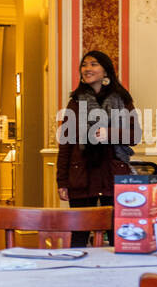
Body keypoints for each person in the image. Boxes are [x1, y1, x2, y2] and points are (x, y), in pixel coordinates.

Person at [55, 50, 140, 244]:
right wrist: (62, 181)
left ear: (106, 71)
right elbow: (65, 145)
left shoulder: (122, 99)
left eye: (93, 64)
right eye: (84, 65)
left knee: (119, 236)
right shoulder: (75, 103)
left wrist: (110, 133)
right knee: (79, 236)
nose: (87, 68)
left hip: (113, 176)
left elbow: (135, 135)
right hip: (81, 177)